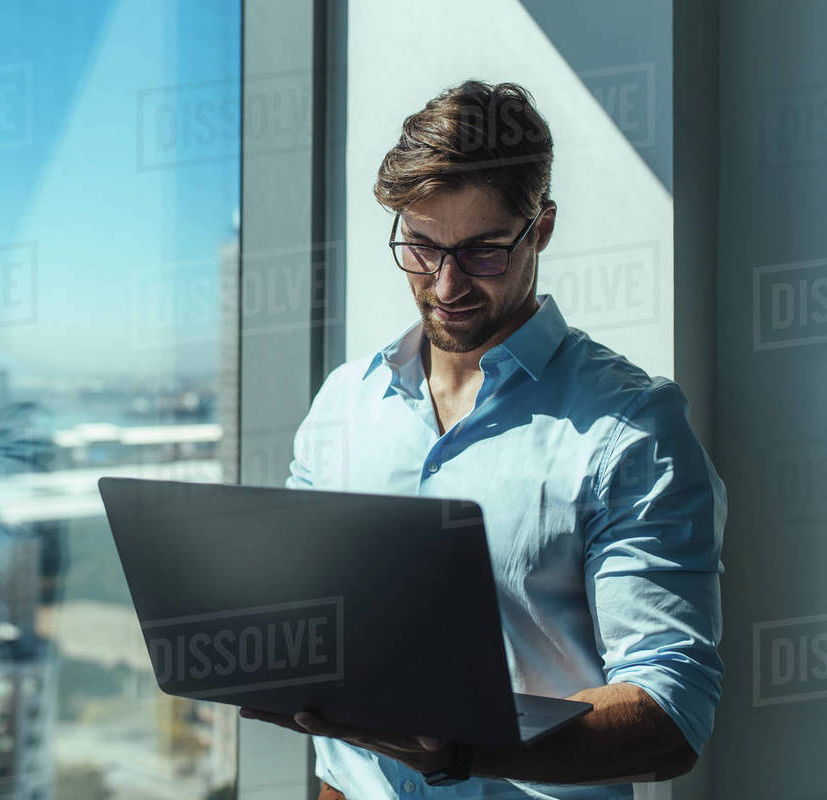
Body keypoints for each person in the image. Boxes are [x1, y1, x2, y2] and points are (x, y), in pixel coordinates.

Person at [240, 80, 726, 800]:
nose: (445, 286)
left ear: (541, 228)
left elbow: (671, 711)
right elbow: (311, 622)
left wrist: (464, 748)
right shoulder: (346, 401)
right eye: (420, 247)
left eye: (483, 253)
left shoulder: (629, 428)